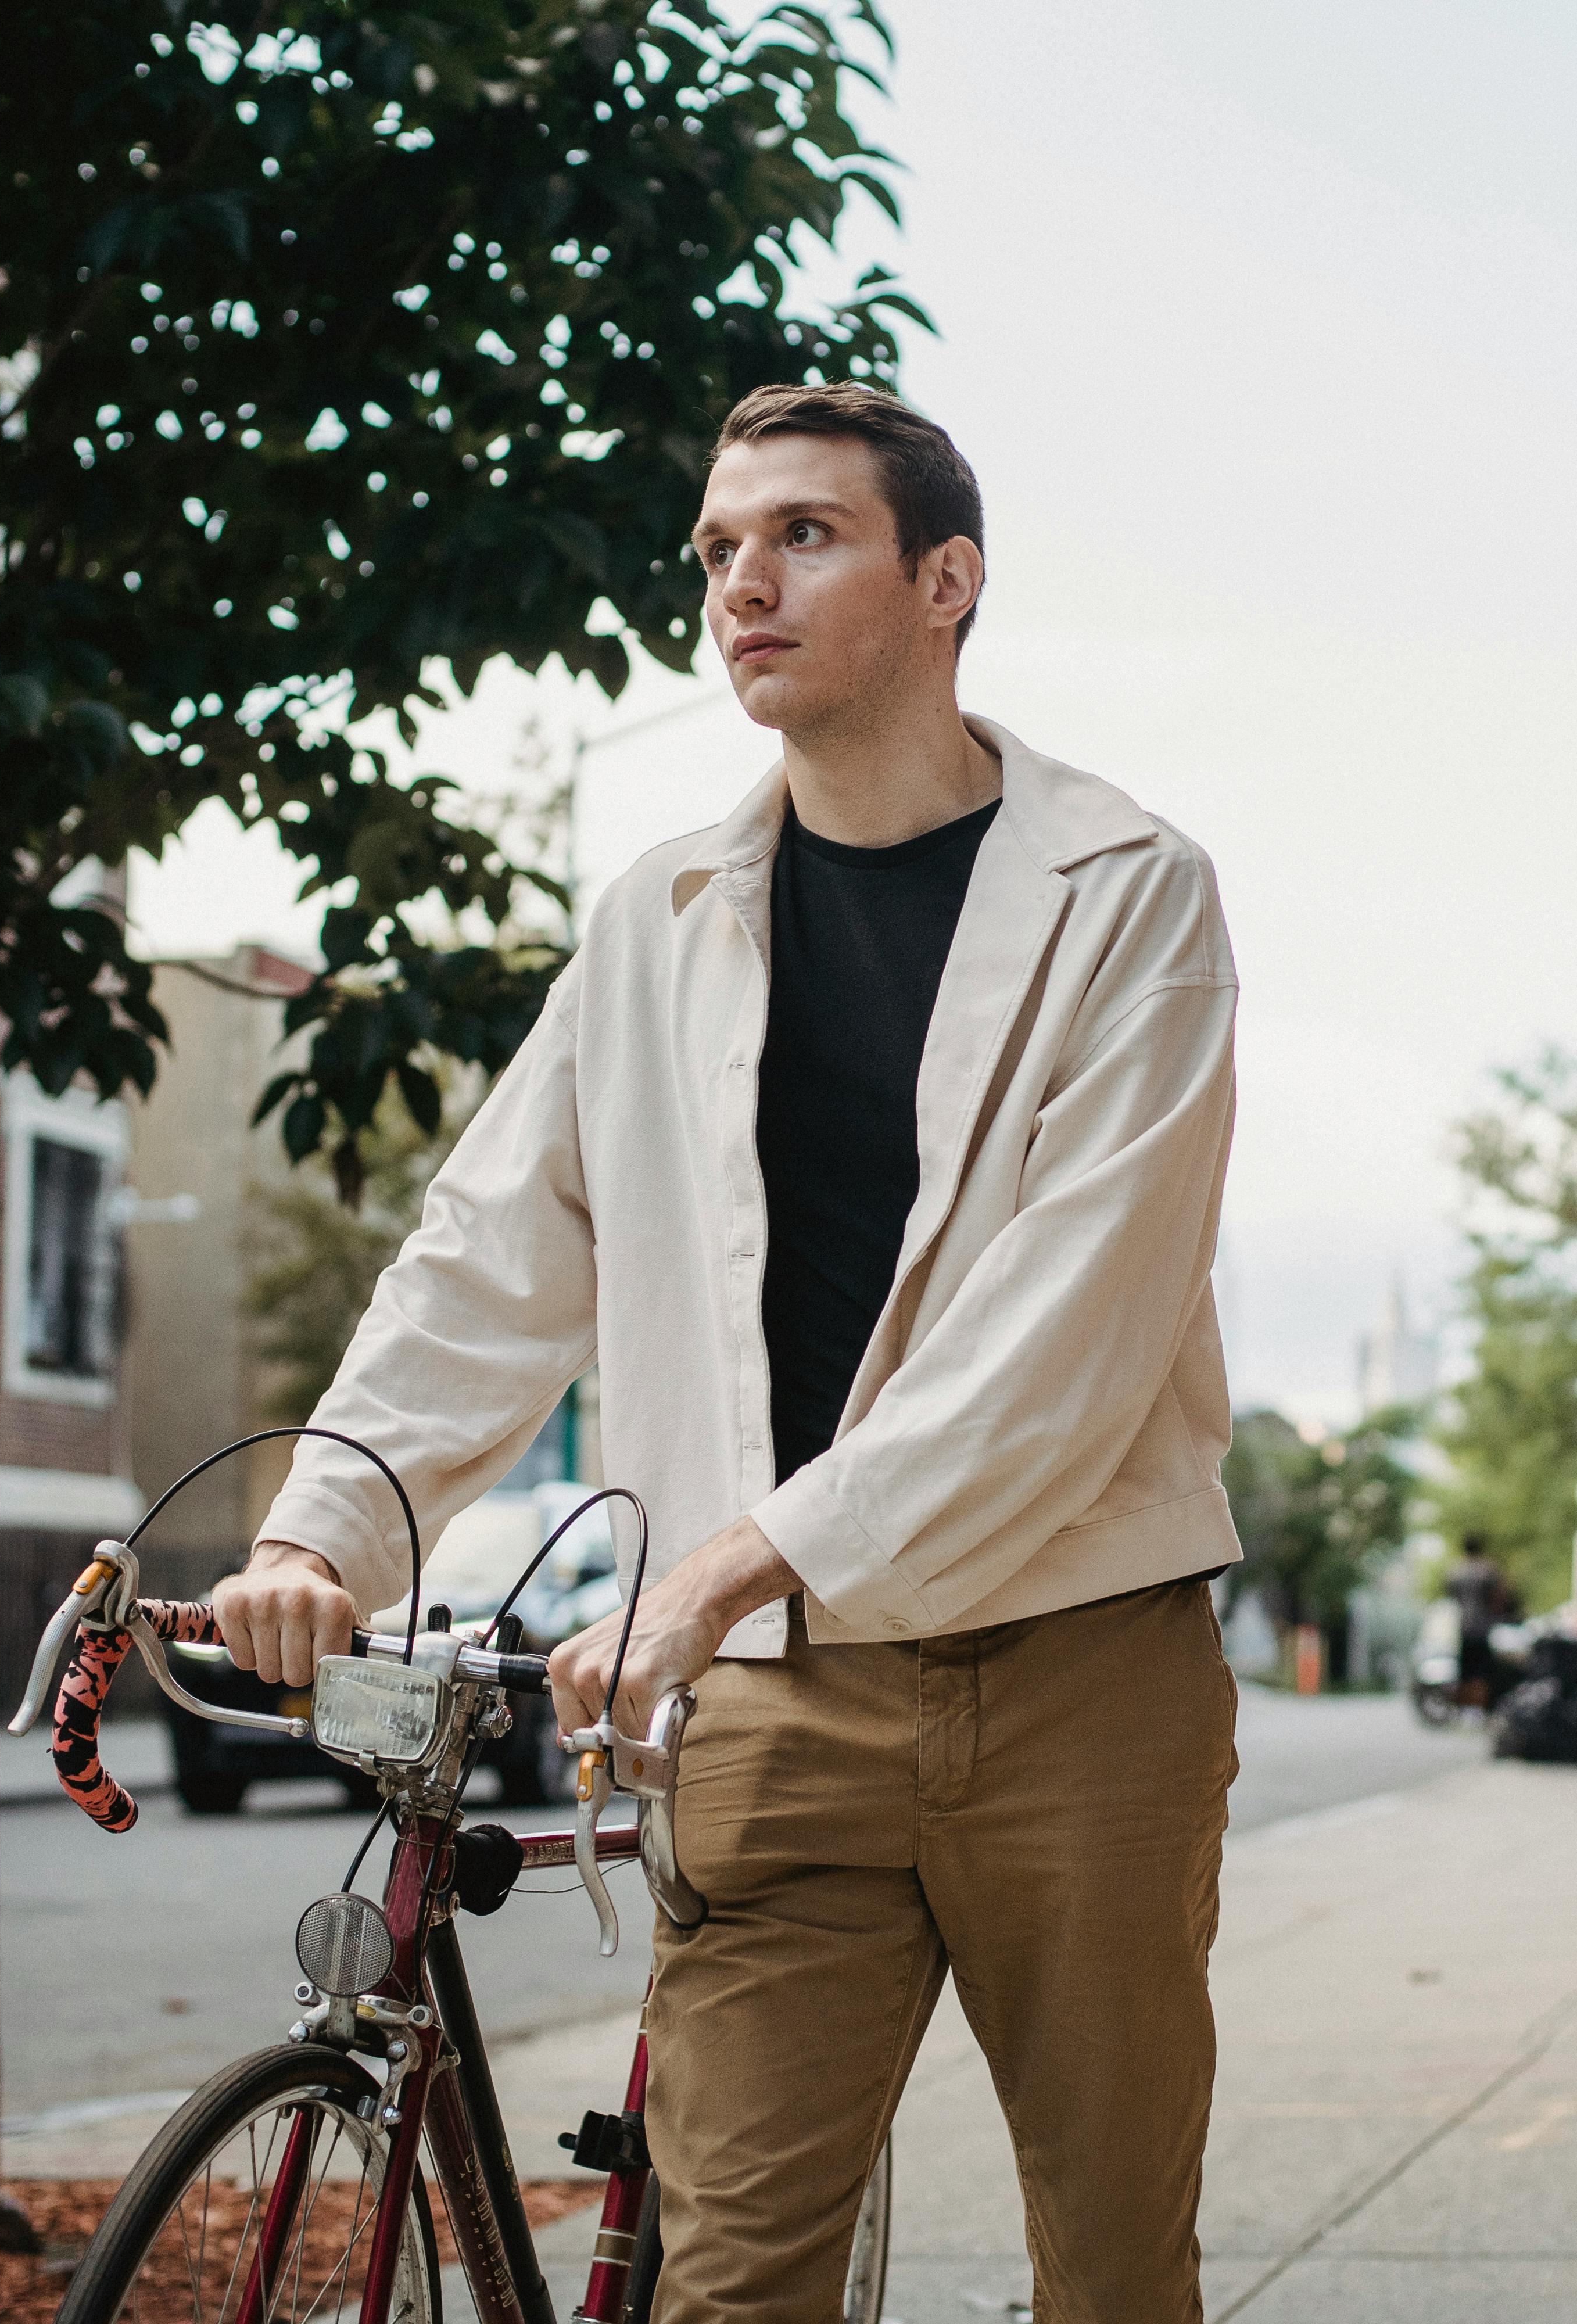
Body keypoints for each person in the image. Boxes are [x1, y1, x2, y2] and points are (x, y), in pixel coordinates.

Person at [208, 381, 1244, 2321]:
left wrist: (721, 1566)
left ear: (949, 582)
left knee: (1110, 2271)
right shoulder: (659, 919)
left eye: (802, 536)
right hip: (774, 1705)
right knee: (725, 2286)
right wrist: (320, 1535)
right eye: (715, 550)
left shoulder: (1134, 895)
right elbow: (488, 1258)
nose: (741, 582)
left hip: (1081, 1680)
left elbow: (1065, 1344)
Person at [1443, 1532, 1517, 1706]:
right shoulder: (1488, 1570)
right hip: (1484, 1627)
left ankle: (1467, 1706)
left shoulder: (1455, 1571)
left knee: (1466, 1670)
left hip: (1464, 1626)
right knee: (1483, 1672)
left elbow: (1451, 1595)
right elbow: (1500, 1597)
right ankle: (1481, 1705)